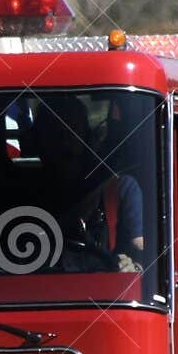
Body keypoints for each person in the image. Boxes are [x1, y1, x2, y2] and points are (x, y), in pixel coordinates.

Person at [36, 96, 145, 272]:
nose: (64, 142)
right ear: (37, 142)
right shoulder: (17, 195)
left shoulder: (119, 189)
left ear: (86, 137)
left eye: (71, 132)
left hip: (105, 295)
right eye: (54, 133)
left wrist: (134, 267)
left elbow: (142, 249)